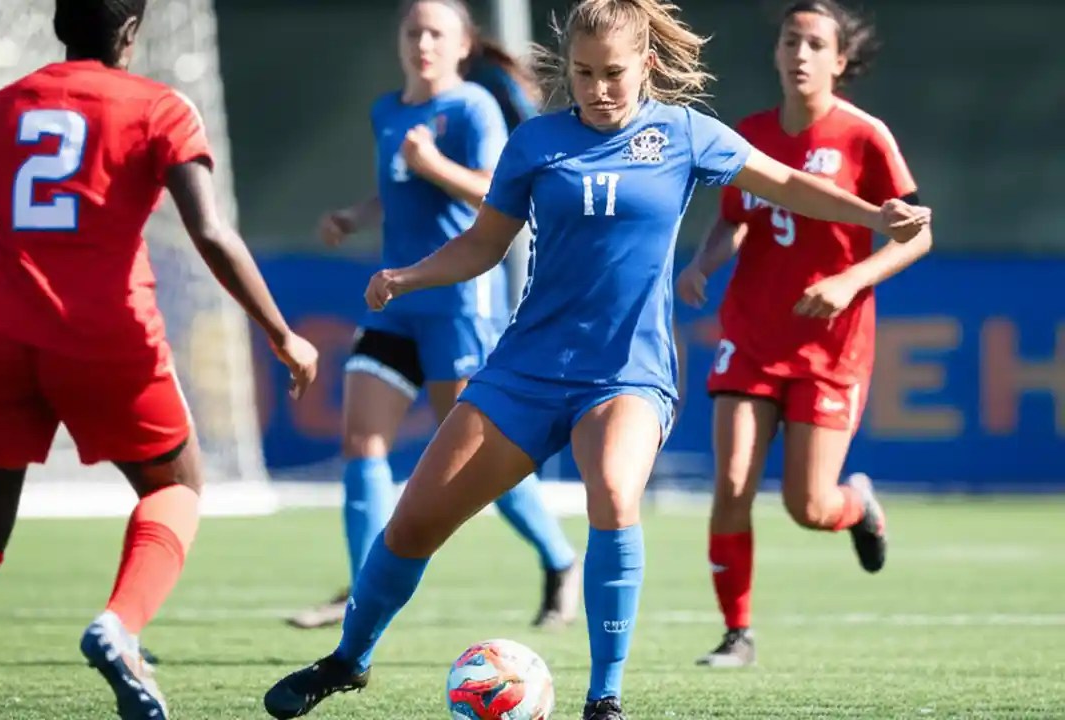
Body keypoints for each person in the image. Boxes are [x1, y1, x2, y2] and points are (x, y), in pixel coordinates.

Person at [262, 0, 930, 718]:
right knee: (414, 525)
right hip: (524, 369)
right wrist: (409, 275)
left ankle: (604, 699)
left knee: (612, 492)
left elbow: (788, 184)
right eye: (583, 73)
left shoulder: (683, 133)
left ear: (645, 64)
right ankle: (348, 660)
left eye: (613, 72)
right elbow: (486, 244)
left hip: (627, 374)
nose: (599, 88)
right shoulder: (536, 142)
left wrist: (872, 216)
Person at [0, 1, 318, 719]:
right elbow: (210, 232)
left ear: (60, 23)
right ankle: (120, 625)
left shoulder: (2, 106)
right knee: (176, 485)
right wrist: (279, 331)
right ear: (130, 30)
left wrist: (32, 257)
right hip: (106, 336)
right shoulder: (158, 107)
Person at [286, 0, 581, 632]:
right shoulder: (388, 110)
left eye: (436, 33)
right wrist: (356, 217)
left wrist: (433, 164)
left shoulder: (472, 108)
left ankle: (560, 559)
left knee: (478, 458)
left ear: (463, 45)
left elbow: (495, 191)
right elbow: (394, 184)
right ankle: (363, 589)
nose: (423, 42)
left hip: (460, 304)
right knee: (360, 444)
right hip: (395, 305)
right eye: (413, 31)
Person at [676, 0, 932, 669]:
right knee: (731, 480)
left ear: (840, 61)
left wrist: (850, 282)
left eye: (816, 44)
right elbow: (734, 215)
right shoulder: (752, 133)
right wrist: (704, 262)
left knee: (809, 505)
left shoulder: (864, 137)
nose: (800, 54)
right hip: (752, 334)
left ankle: (858, 505)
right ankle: (737, 634)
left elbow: (916, 232)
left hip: (830, 346)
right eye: (791, 41)